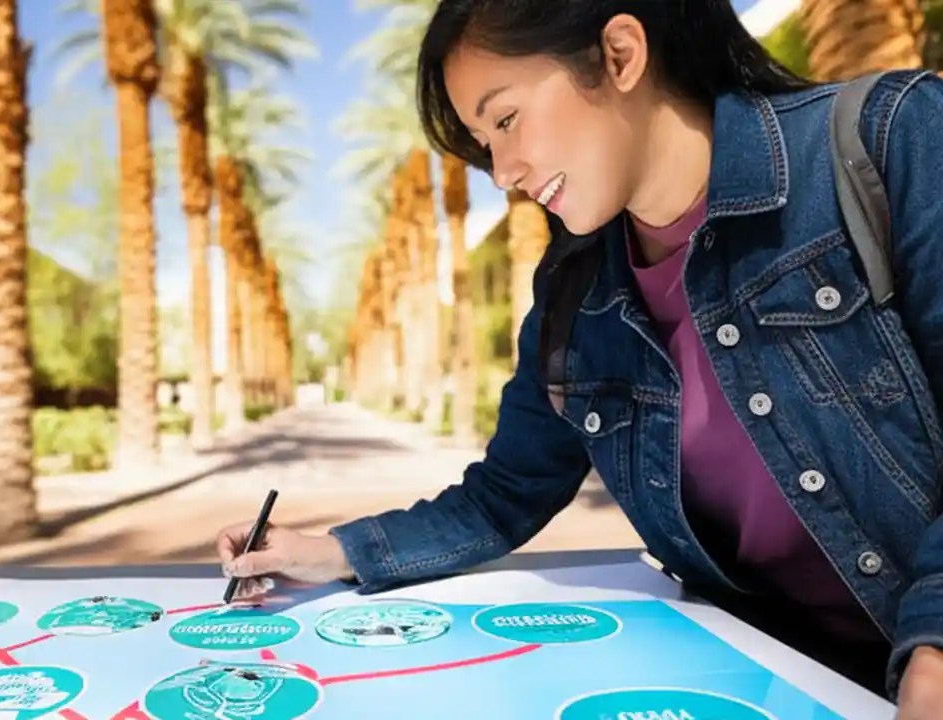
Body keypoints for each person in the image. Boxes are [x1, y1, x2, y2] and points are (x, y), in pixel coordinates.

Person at [214, 0, 943, 714]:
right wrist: (327, 551)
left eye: (505, 120)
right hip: (774, 684)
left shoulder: (892, 140)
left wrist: (934, 654)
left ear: (620, 54)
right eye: (485, 143)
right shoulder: (577, 294)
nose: (502, 172)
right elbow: (503, 497)